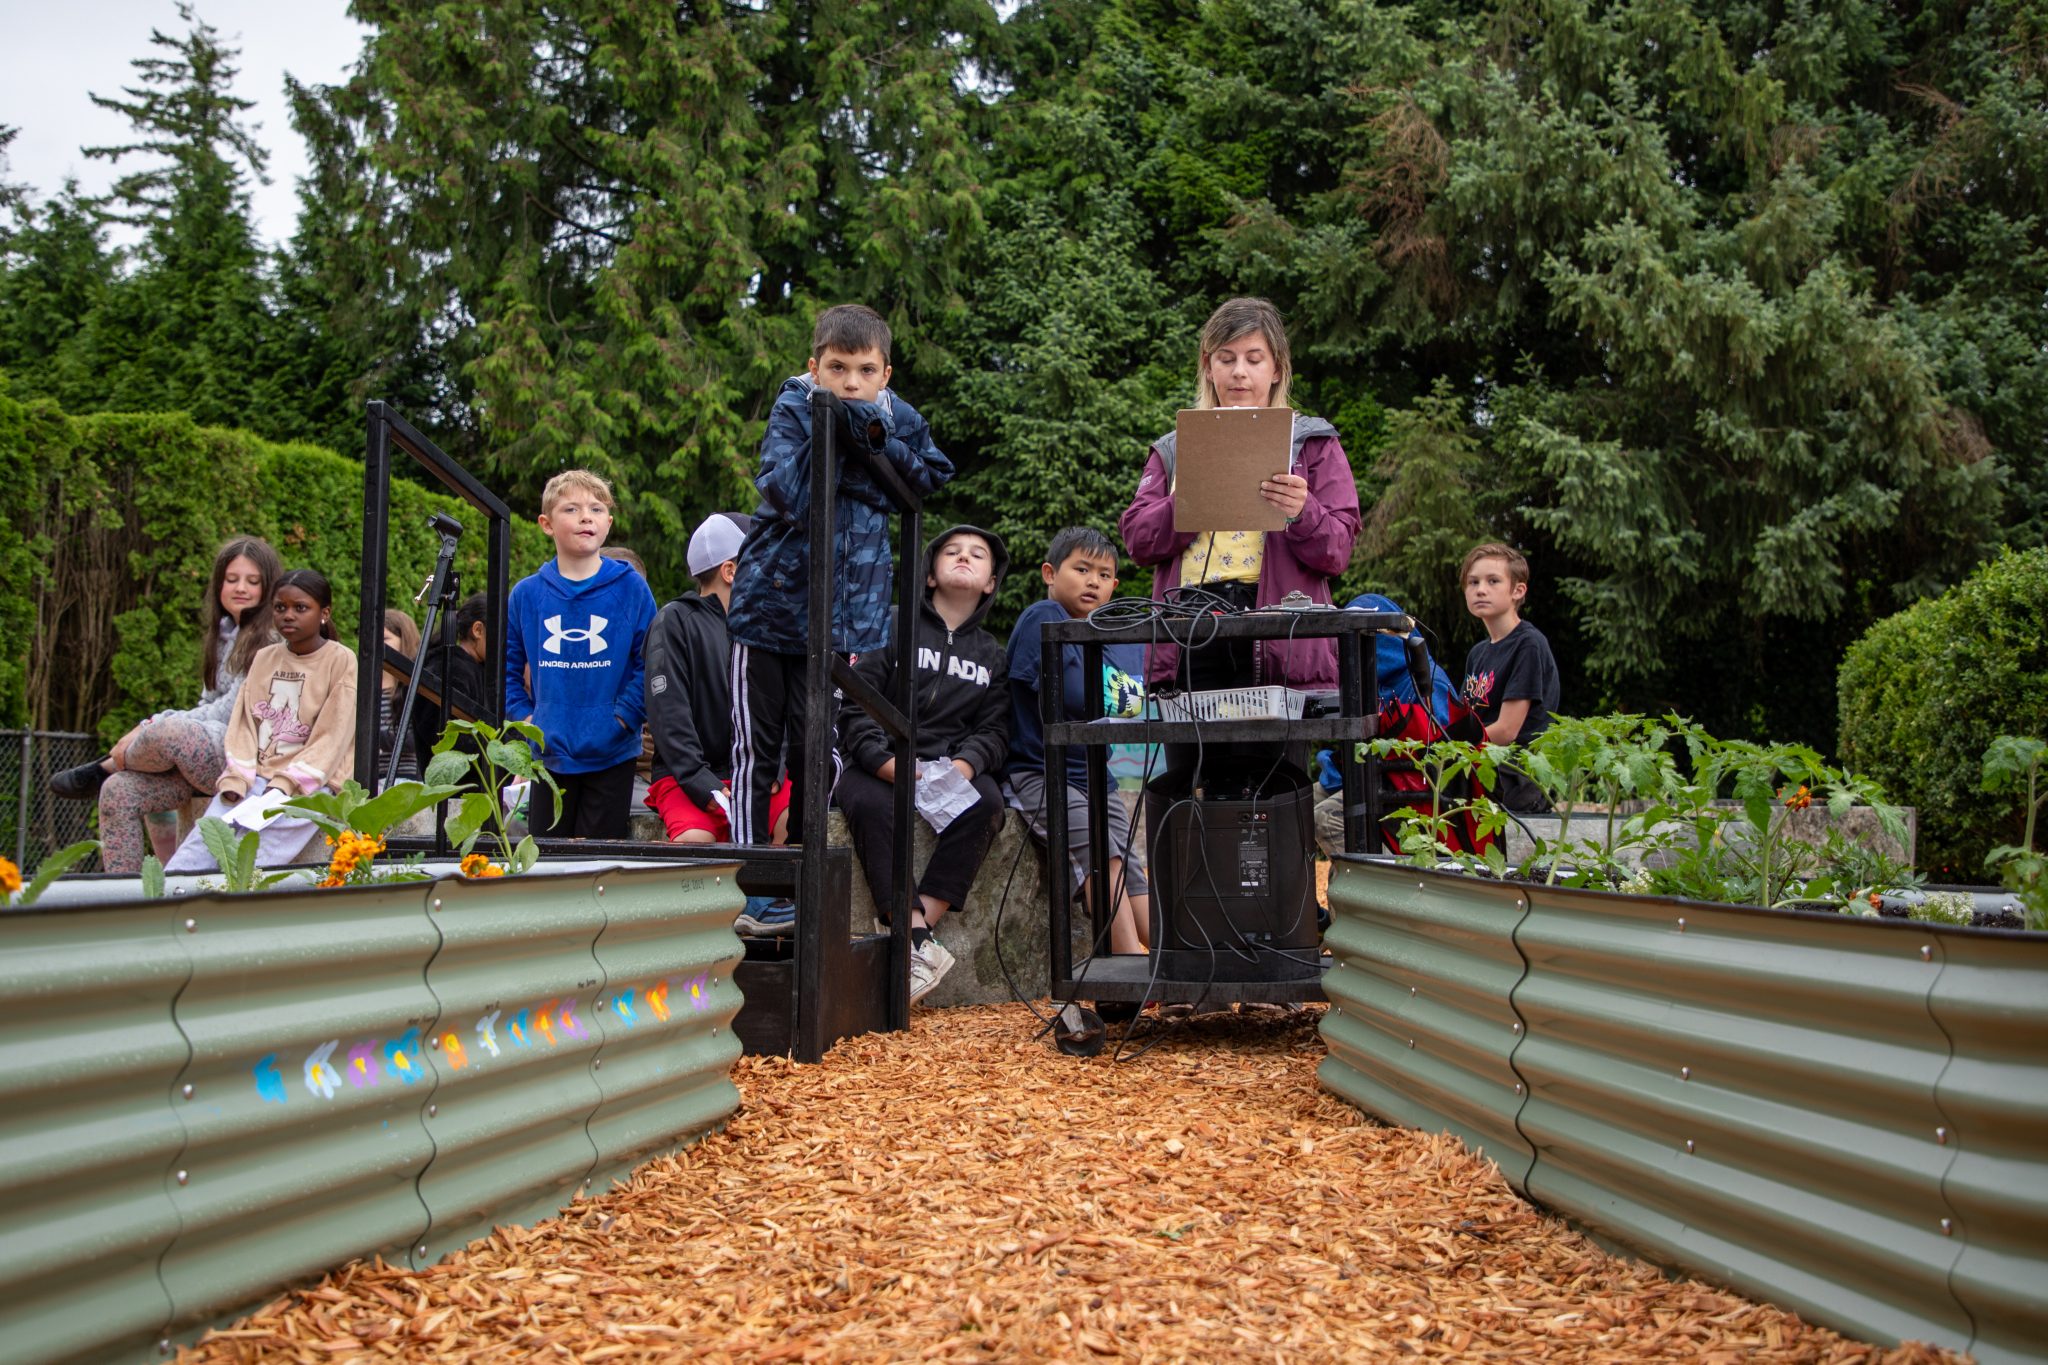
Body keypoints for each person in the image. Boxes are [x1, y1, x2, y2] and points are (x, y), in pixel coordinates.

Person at [726, 304, 955, 853]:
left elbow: (929, 479)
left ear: (886, 374)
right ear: (815, 365)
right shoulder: (794, 404)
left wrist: (871, 437)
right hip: (770, 609)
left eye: (865, 371)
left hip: (843, 619)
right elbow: (789, 494)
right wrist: (841, 431)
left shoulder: (895, 414)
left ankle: (801, 875)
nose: (851, 383)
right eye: (837, 369)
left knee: (816, 751)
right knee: (759, 750)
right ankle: (747, 883)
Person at [1117, 297, 1361, 776]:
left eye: (1254, 358)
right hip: (1189, 627)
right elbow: (1137, 539)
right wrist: (1187, 503)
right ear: (1207, 367)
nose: (1239, 373)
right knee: (1189, 784)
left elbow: (1339, 549)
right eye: (1226, 359)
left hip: (1275, 632)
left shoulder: (1313, 441)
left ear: (1276, 369)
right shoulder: (1173, 448)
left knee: (1270, 789)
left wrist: (1302, 511)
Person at [834, 526, 1010, 1002]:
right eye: (951, 551)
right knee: (870, 803)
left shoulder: (992, 654)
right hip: (881, 766)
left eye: (978, 555)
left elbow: (994, 730)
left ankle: (912, 934)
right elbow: (855, 704)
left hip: (948, 767)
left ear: (991, 582)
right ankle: (915, 943)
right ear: (930, 574)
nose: (964, 558)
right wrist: (890, 766)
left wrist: (965, 767)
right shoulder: (891, 624)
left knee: (988, 802)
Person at [52, 536, 282, 873]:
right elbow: (208, 701)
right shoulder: (224, 634)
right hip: (211, 755)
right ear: (219, 584)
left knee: (172, 730)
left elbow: (229, 711)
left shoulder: (271, 639)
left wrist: (152, 725)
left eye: (252, 581)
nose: (241, 588)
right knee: (120, 791)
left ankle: (106, 767)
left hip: (246, 756)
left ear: (268, 587)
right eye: (232, 580)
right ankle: (126, 897)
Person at [1002, 527, 1152, 955]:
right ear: (1051, 572)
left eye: (1104, 575)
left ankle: (1178, 968)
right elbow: (1039, 692)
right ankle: (1127, 973)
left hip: (1095, 776)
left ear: (1115, 586)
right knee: (1104, 853)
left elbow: (1129, 704)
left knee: (1132, 866)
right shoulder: (1043, 617)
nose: (1093, 581)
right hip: (1039, 772)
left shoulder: (1109, 639)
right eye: (1081, 569)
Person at [165, 570, 355, 872]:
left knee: (251, 863)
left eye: (300, 608)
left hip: (309, 784)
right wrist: (236, 777)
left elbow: (334, 735)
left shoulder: (341, 660)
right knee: (199, 847)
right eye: (280, 608)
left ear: (325, 613)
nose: (288, 616)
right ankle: (165, 904)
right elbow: (243, 723)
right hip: (255, 778)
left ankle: (229, 910)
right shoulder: (265, 658)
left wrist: (285, 784)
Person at [505, 469, 657, 839]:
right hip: (549, 755)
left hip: (613, 755)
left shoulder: (632, 590)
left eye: (596, 508)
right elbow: (506, 669)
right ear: (545, 523)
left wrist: (622, 719)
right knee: (551, 866)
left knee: (601, 864)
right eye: (571, 509)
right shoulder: (526, 595)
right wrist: (529, 721)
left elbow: (649, 661)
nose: (585, 516)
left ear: (608, 522)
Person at [645, 512, 791, 847]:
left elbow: (781, 708)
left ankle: (772, 900)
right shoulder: (675, 620)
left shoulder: (766, 629)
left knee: (799, 824)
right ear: (731, 571)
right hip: (688, 777)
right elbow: (668, 712)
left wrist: (776, 766)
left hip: (755, 773)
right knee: (695, 841)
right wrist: (699, 780)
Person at [1459, 542, 1561, 813]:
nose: (1480, 589)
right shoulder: (1478, 653)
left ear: (1518, 590)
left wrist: (1451, 749)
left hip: (1515, 779)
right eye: (1473, 582)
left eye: (1493, 581)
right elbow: (1462, 720)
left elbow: (1506, 730)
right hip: (1477, 768)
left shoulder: (1528, 644)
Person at [408, 591, 491, 762]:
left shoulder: (473, 668)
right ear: (478, 630)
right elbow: (444, 738)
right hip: (459, 784)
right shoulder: (449, 669)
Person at [378, 608, 422, 783]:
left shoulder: (412, 687)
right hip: (366, 777)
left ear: (404, 640)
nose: (377, 644)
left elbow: (414, 740)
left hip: (405, 778)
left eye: (385, 639)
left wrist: (373, 738)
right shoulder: (364, 685)